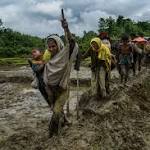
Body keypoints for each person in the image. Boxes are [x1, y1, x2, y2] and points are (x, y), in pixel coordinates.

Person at [43, 15, 79, 137]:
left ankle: (53, 133)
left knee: (57, 110)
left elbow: (72, 43)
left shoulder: (65, 55)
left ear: (59, 45)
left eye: (54, 46)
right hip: (51, 91)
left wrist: (66, 28)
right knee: (56, 110)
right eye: (50, 47)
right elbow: (44, 74)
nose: (52, 48)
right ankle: (65, 121)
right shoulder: (48, 58)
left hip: (63, 89)